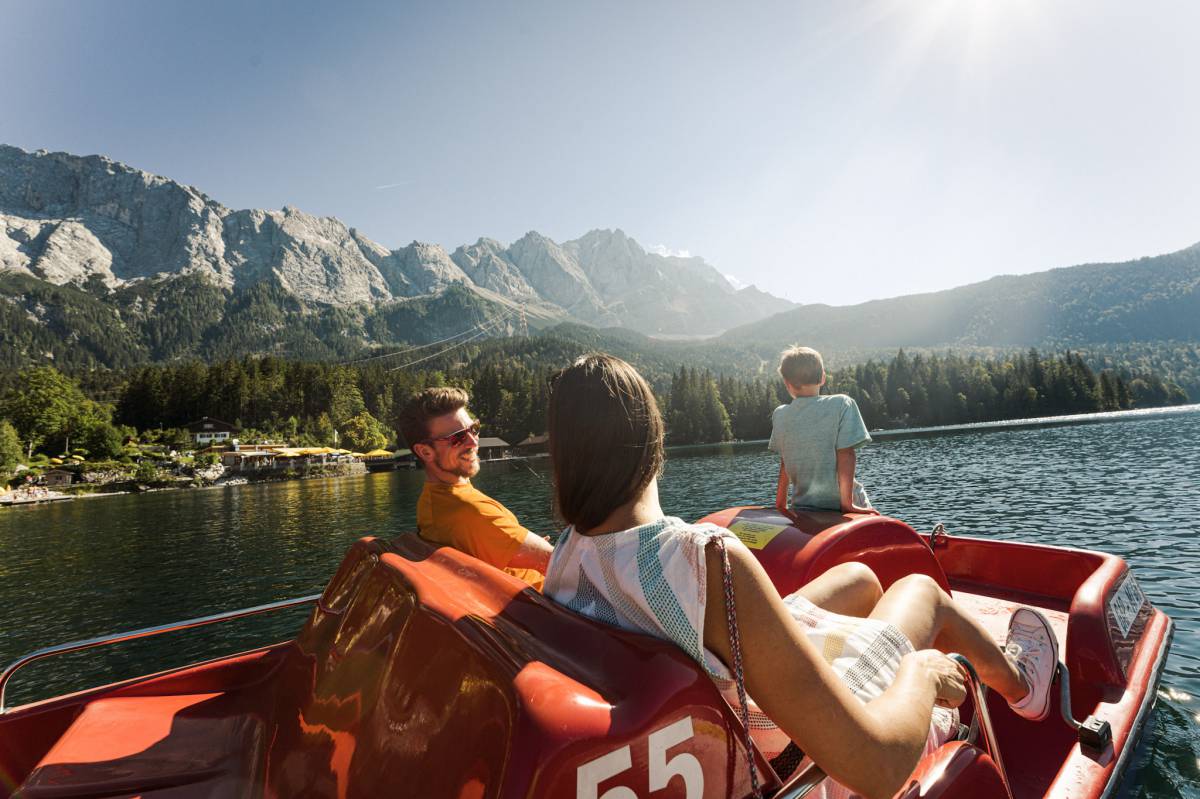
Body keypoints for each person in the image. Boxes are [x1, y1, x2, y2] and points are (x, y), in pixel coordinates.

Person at [542, 354, 1059, 799]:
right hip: (800, 762)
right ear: (653, 443)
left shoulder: (565, 558)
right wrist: (922, 673)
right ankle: (1023, 687)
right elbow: (874, 767)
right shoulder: (704, 559)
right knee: (921, 591)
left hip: (708, 704)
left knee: (857, 578)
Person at [398, 387, 553, 589]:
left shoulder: (432, 501)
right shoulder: (469, 512)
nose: (473, 442)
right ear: (425, 452)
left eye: (474, 428)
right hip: (550, 599)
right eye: (457, 437)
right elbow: (558, 563)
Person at [771, 345, 876, 515]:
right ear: (823, 378)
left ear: (787, 384)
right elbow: (846, 454)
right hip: (843, 503)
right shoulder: (842, 404)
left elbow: (785, 461)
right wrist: (847, 504)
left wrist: (780, 504)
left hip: (804, 506)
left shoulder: (780, 414)